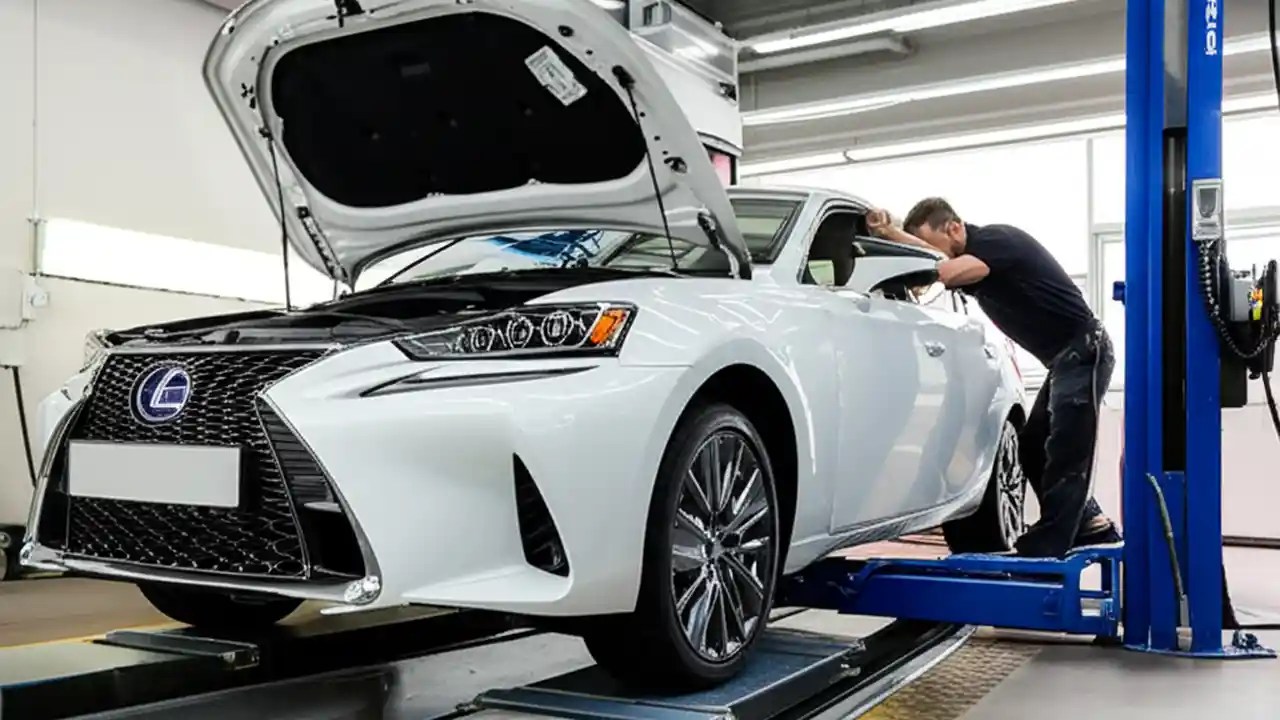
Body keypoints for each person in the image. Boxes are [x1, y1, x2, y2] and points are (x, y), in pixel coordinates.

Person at [865, 198, 1121, 558]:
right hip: (1066, 359)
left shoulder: (996, 241)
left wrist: (897, 243)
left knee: (1067, 447)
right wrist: (890, 233)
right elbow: (942, 262)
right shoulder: (976, 257)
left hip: (1085, 349)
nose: (940, 257)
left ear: (954, 228)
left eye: (937, 246)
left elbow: (948, 272)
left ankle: (1054, 539)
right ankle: (1091, 523)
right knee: (1033, 445)